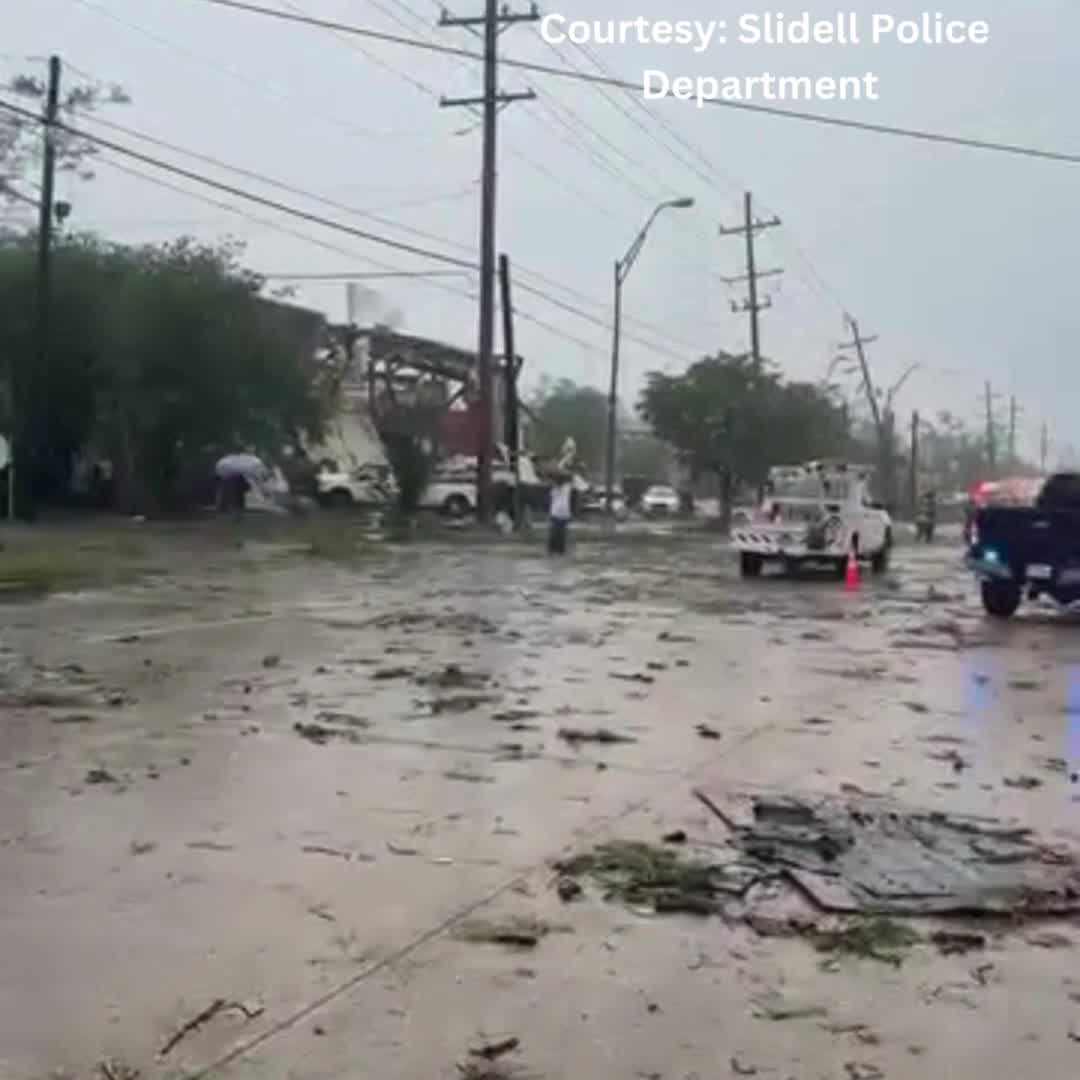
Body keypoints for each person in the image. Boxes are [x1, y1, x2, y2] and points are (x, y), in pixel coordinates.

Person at [548, 471, 573, 555]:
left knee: (561, 535)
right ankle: (552, 551)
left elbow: (570, 476)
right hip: (555, 514)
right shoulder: (554, 488)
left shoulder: (567, 487)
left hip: (564, 514)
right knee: (554, 534)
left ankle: (560, 551)